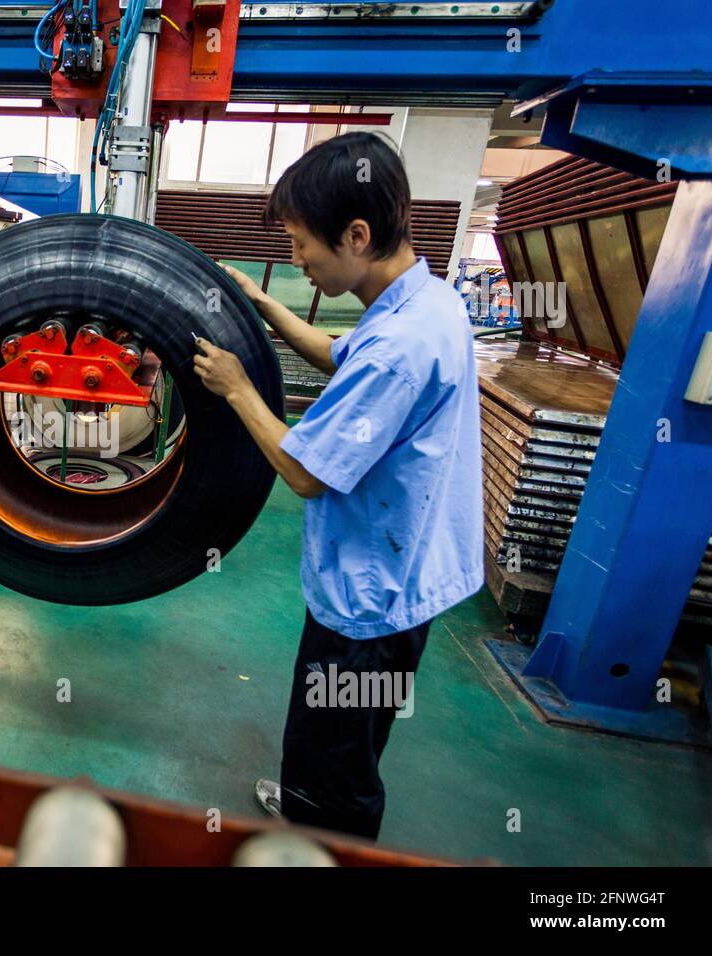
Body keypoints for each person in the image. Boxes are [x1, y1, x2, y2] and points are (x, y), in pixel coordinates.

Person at [192, 131, 483, 840]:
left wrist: (236, 388)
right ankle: (306, 805)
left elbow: (305, 472)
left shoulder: (402, 346)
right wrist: (265, 305)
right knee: (333, 735)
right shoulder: (422, 304)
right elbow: (336, 352)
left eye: (300, 245)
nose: (297, 259)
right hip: (392, 580)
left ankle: (326, 835)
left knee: (340, 760)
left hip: (373, 603)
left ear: (356, 235)